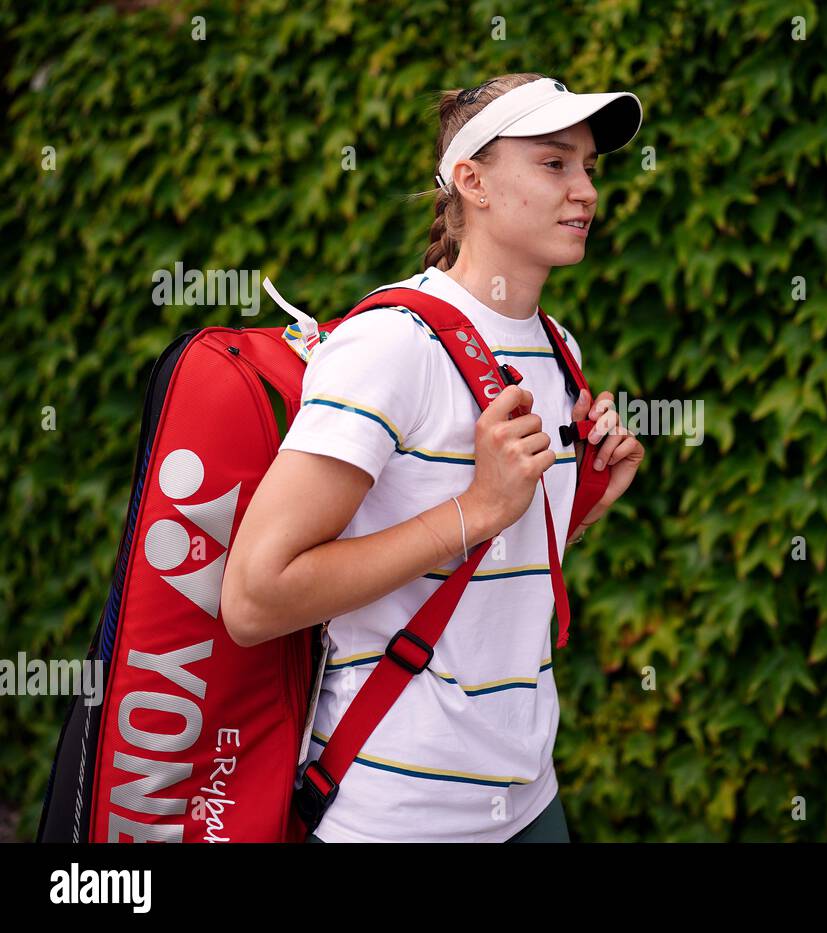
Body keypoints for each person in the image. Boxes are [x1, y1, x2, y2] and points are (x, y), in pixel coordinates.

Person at [221, 73, 646, 842]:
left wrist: (579, 506)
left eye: (589, 166)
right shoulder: (390, 345)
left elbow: (488, 577)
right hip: (397, 816)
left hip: (531, 799)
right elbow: (255, 598)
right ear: (472, 181)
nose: (585, 189)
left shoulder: (559, 349)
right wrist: (477, 507)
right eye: (555, 164)